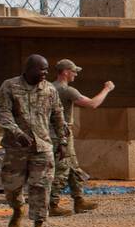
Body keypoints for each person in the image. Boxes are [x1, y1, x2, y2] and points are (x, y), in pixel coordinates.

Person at [0, 54, 71, 227]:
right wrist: (16, 132)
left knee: (41, 187)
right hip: (16, 148)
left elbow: (58, 116)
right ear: (28, 69)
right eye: (41, 69)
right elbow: (2, 112)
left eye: (46, 69)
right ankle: (18, 208)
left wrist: (62, 141)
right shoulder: (10, 86)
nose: (45, 73)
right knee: (11, 187)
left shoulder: (50, 90)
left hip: (43, 147)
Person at [48, 59, 114, 215]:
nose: (76, 74)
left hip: (53, 133)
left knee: (73, 168)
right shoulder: (65, 90)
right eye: (74, 71)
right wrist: (107, 89)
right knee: (62, 168)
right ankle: (52, 205)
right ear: (65, 72)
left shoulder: (50, 88)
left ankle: (79, 200)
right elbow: (92, 104)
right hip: (61, 134)